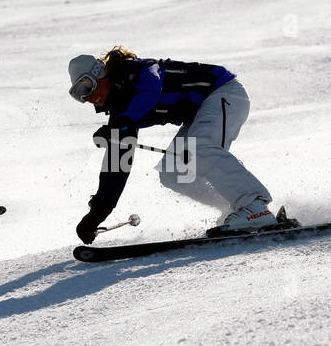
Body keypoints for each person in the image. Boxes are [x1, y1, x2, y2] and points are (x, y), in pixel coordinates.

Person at [68, 47, 280, 242]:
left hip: (224, 93)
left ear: (100, 72)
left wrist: (123, 123)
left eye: (87, 85)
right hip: (200, 114)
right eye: (80, 95)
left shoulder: (136, 71)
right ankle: (235, 210)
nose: (89, 97)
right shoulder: (121, 113)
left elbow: (151, 88)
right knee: (173, 172)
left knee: (199, 148)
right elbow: (118, 164)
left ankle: (254, 205)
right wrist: (96, 214)